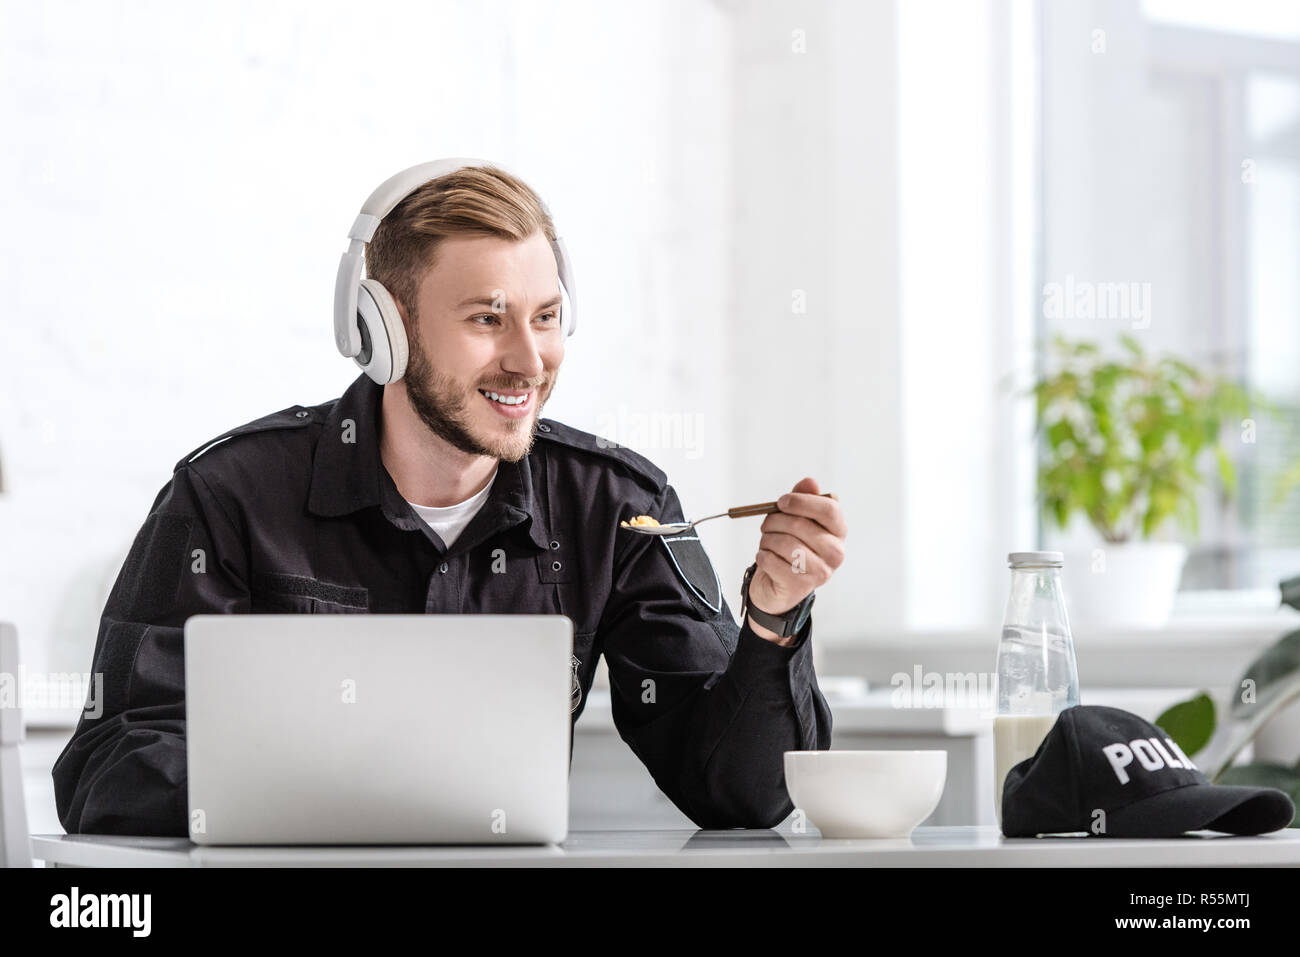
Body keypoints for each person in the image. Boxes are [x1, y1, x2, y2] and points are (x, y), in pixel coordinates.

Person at [52, 161, 846, 837]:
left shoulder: (614, 507)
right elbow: (109, 770)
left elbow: (737, 793)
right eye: (486, 319)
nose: (528, 360)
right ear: (383, 330)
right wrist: (336, 776)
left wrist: (773, 616)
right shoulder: (227, 496)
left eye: (545, 318)